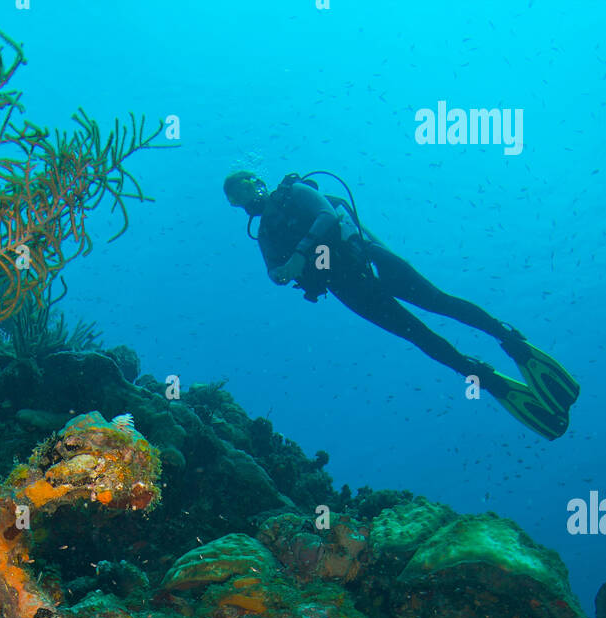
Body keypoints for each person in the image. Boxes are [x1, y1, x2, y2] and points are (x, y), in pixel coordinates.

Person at [223, 170, 579, 441]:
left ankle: (509, 339)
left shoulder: (295, 192)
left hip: (372, 261)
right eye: (236, 196)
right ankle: (481, 375)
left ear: (259, 182)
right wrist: (284, 272)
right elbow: (273, 272)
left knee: (440, 303)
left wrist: (301, 254)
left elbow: (327, 216)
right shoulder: (265, 233)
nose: (246, 195)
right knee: (420, 338)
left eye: (246, 185)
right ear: (236, 205)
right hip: (350, 290)